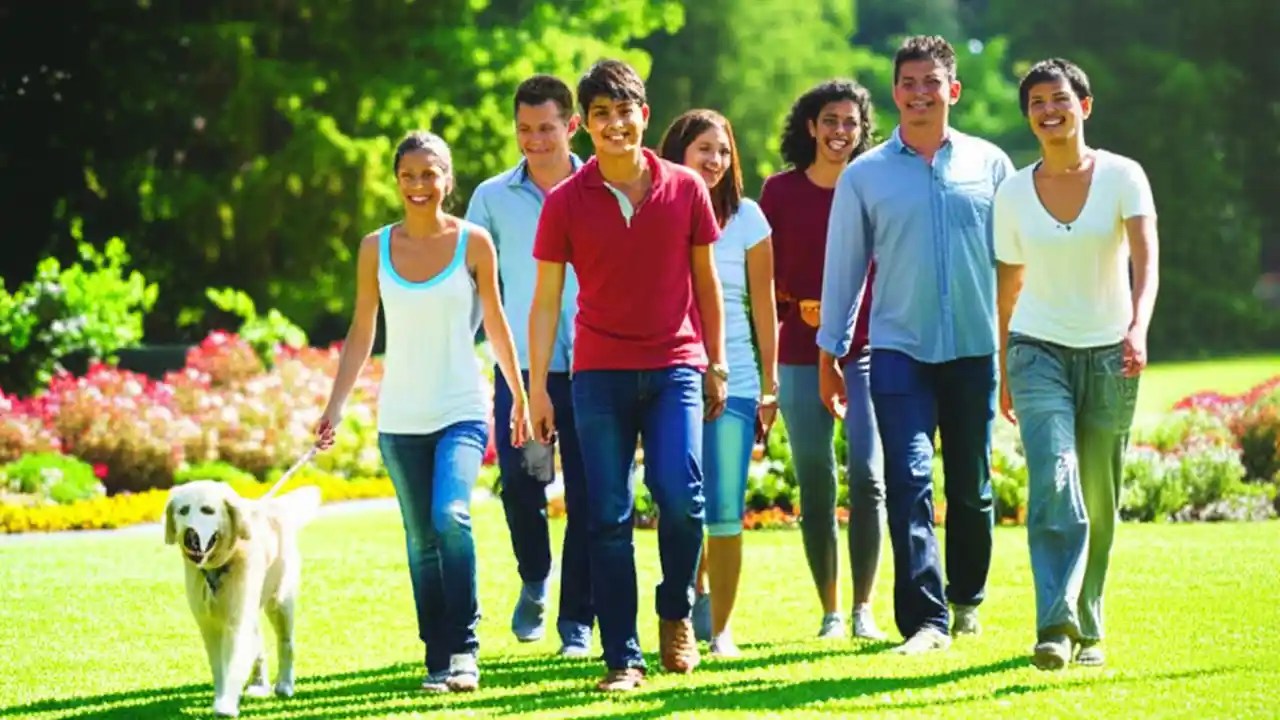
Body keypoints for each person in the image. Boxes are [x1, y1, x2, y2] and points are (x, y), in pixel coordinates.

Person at [529, 58, 727, 692]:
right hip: (599, 375)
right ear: (586, 126)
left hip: (676, 367)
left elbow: (707, 282)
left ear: (645, 114)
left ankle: (675, 613)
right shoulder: (564, 203)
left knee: (681, 496)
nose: (616, 124)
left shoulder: (686, 188)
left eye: (625, 111)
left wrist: (716, 362)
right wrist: (536, 387)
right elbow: (543, 301)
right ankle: (623, 657)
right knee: (607, 514)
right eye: (601, 115)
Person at [817, 35, 1015, 655]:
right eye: (908, 83)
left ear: (953, 90)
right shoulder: (865, 176)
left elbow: (1015, 264)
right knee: (907, 480)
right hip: (897, 351)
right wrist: (831, 353)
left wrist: (1016, 347)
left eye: (932, 82)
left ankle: (967, 600)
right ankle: (925, 621)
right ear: (895, 93)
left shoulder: (992, 165)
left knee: (972, 486)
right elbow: (843, 269)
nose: (920, 94)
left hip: (975, 350)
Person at [315, 131, 531, 692]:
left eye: (429, 174)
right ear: (397, 181)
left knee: (450, 517)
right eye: (409, 175)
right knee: (419, 540)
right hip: (400, 419)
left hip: (461, 408)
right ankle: (437, 656)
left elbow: (499, 325)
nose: (419, 185)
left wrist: (521, 399)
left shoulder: (475, 242)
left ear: (448, 179)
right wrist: (335, 407)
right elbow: (363, 329)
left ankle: (464, 648)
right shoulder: (374, 248)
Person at [995, 58, 1158, 670]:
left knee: (1098, 490)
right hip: (1036, 349)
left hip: (1111, 351)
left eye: (1058, 98)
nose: (1048, 110)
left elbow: (1147, 258)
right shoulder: (1012, 191)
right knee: (1056, 479)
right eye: (1036, 101)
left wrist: (1138, 327)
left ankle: (1090, 621)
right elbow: (1008, 287)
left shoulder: (1124, 176)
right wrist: (1007, 364)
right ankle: (1055, 626)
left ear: (1083, 106)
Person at [464, 74, 595, 657]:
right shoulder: (491, 198)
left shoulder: (602, 186)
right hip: (522, 375)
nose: (535, 141)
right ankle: (536, 575)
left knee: (592, 496)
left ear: (571, 126)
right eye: (524, 130)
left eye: (546, 128)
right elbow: (474, 286)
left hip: (596, 367)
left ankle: (577, 623)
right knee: (522, 483)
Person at [759, 79, 888, 641]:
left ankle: (865, 608)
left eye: (851, 123)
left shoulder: (875, 185)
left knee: (868, 476)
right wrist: (796, 303)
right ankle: (831, 611)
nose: (841, 131)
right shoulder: (778, 192)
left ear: (863, 132)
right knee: (816, 480)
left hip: (868, 351)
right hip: (797, 351)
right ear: (810, 127)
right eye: (830, 120)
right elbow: (762, 276)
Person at [657, 109, 779, 658]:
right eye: (704, 148)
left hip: (737, 384)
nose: (715, 160)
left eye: (723, 150)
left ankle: (722, 629)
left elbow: (763, 307)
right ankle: (683, 605)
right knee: (681, 502)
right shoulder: (656, 212)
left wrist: (770, 383)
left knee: (725, 508)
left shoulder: (749, 219)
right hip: (671, 378)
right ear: (679, 151)